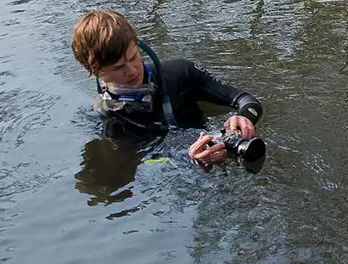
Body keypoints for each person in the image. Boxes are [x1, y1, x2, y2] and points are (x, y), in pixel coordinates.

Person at [71, 10, 263, 166]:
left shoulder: (180, 73)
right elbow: (141, 163)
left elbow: (247, 100)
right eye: (118, 68)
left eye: (133, 57)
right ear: (94, 71)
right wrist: (189, 159)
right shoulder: (109, 120)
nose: (131, 71)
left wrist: (243, 118)